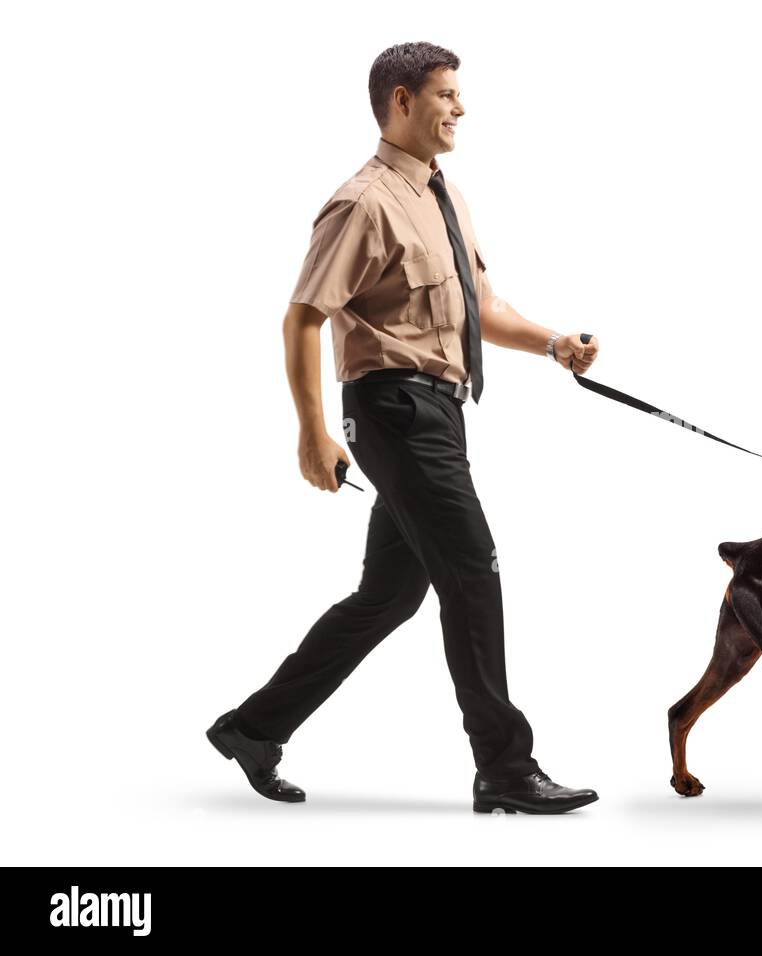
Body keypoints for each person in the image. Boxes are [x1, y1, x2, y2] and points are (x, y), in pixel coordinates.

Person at [206, 41, 600, 815]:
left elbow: (481, 309)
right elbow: (302, 316)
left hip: (438, 415)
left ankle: (253, 728)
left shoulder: (446, 197)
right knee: (472, 568)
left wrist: (554, 343)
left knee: (389, 595)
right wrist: (312, 431)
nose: (461, 108)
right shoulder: (363, 202)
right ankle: (505, 768)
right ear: (401, 102)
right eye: (447, 94)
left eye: (459, 94)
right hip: (391, 411)